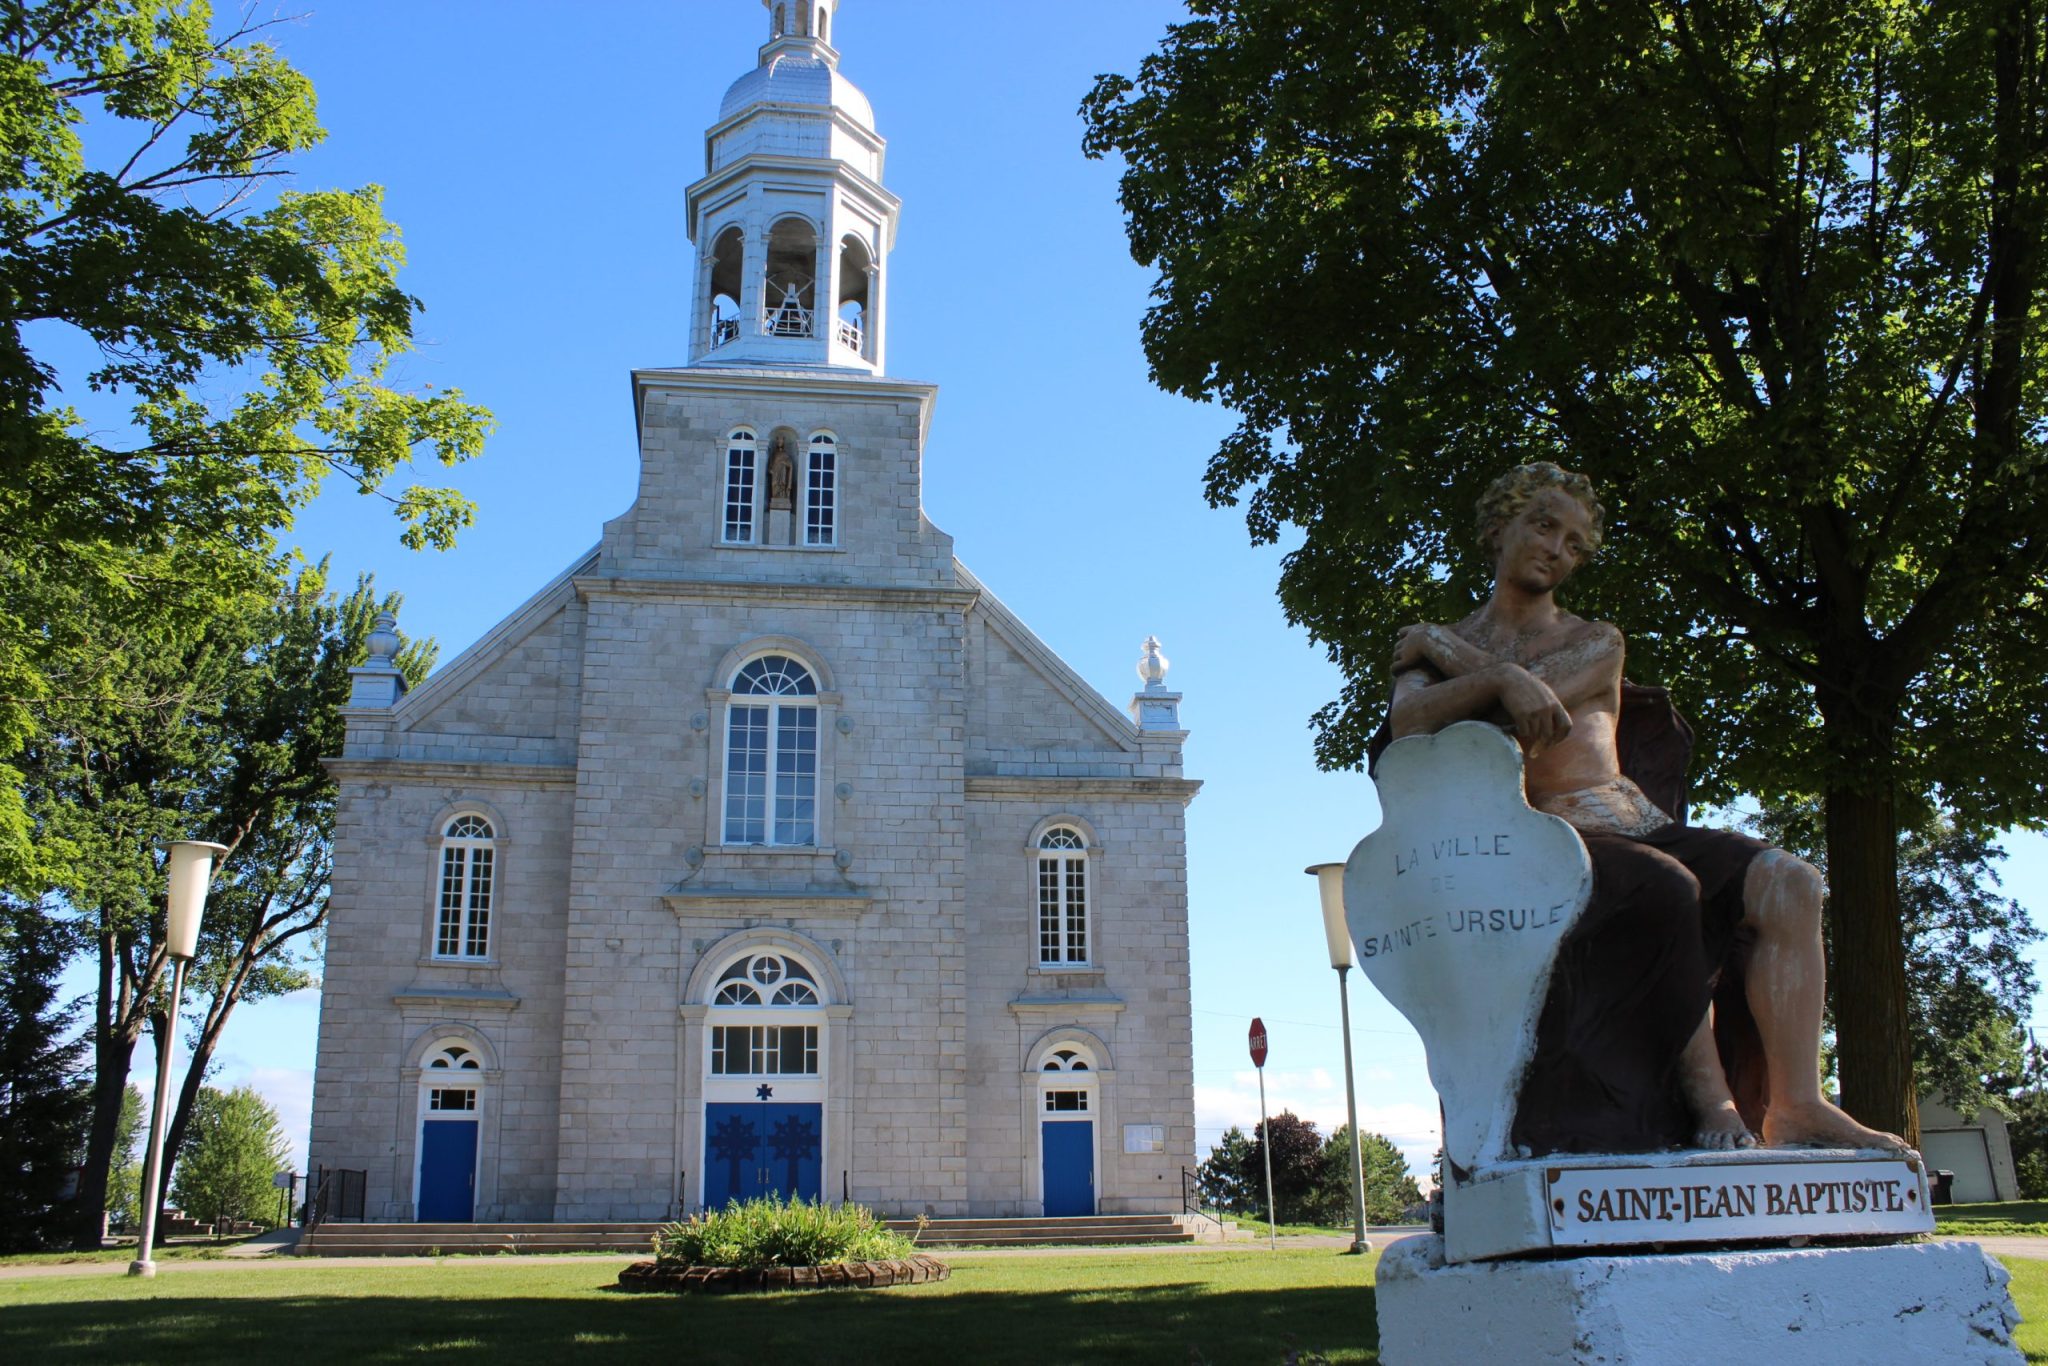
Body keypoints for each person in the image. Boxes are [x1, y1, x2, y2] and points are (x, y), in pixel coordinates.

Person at [1388, 462, 1903, 1154]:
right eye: (1543, 525)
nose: (1556, 550)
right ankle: (1709, 1098)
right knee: (1668, 891)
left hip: (1636, 822)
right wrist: (1494, 671)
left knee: (1793, 882)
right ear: (1498, 525)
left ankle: (1798, 1104)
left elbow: (1539, 699)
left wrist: (1457, 655)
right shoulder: (1435, 648)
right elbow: (1409, 723)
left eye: (1574, 543)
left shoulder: (1594, 641)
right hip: (1535, 840)